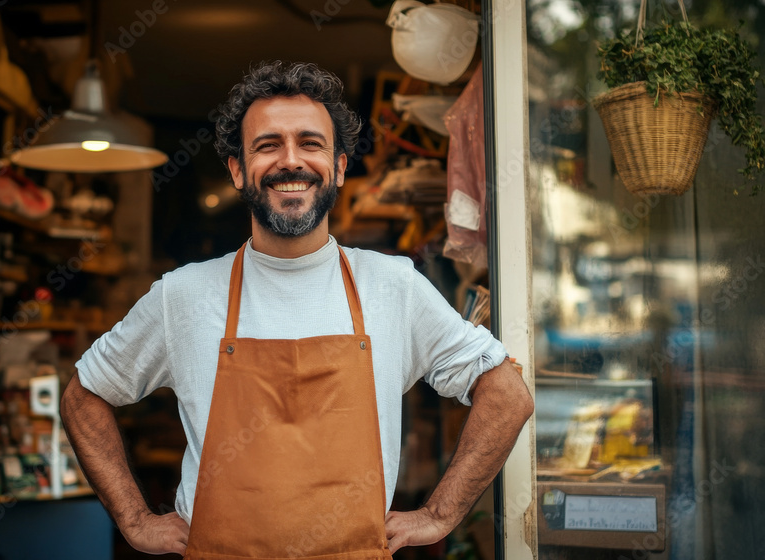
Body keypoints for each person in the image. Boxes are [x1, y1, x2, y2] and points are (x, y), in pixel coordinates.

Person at [61, 60, 533, 558]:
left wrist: (440, 514)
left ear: (340, 167)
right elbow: (83, 395)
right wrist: (135, 521)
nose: (291, 161)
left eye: (310, 143)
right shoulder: (184, 294)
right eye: (268, 145)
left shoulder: (393, 286)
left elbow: (506, 395)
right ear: (238, 170)